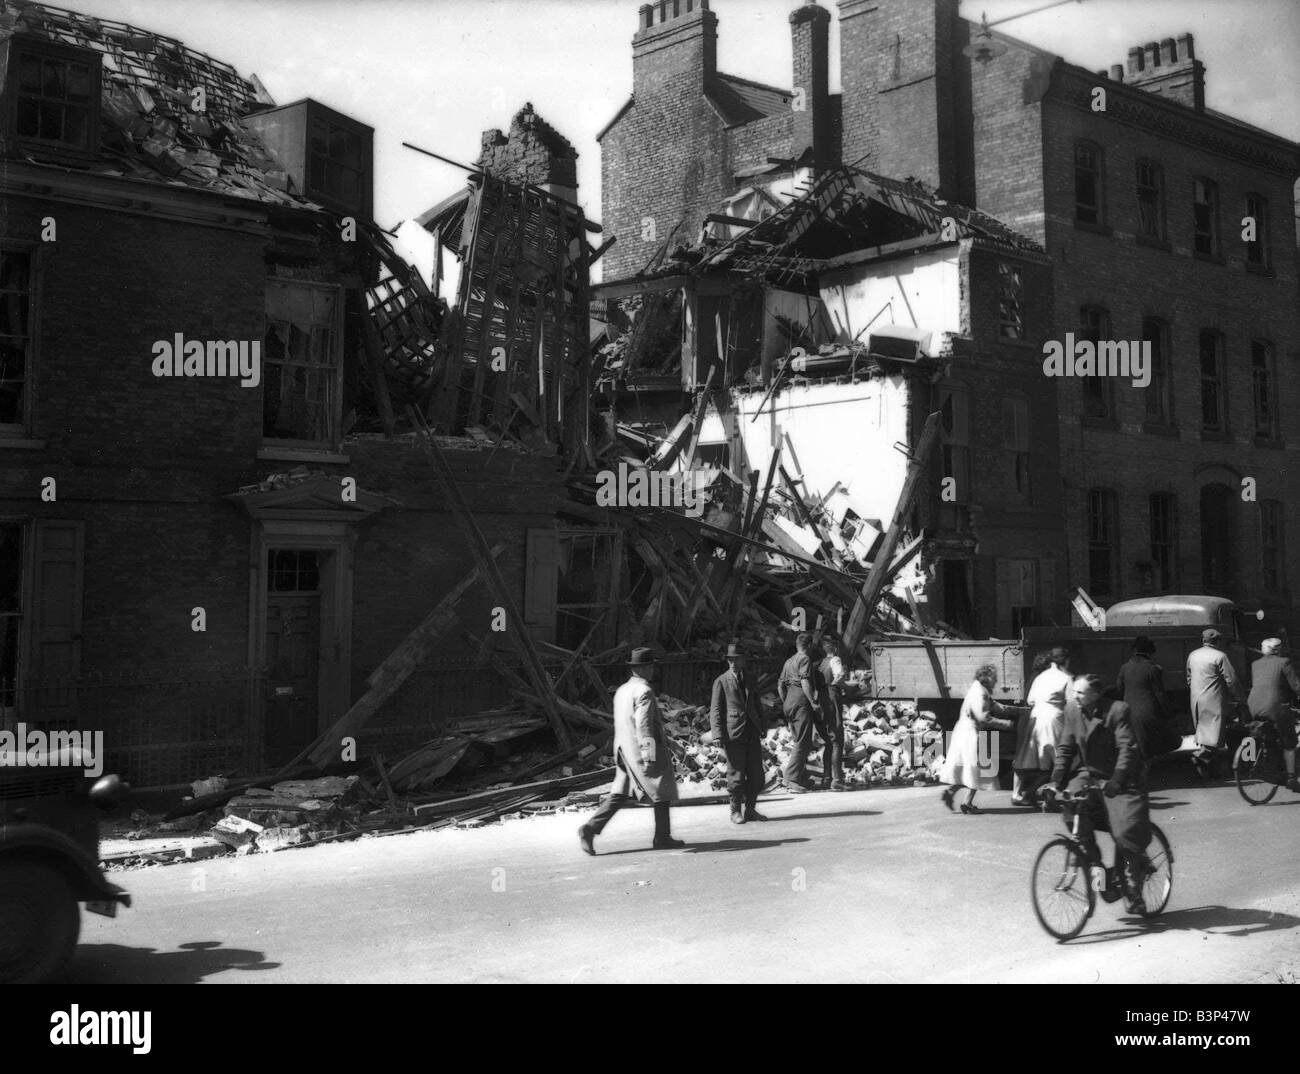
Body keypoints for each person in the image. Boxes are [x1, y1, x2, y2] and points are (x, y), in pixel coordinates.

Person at [1043, 674, 1152, 915]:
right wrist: (1055, 782)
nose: (1074, 697)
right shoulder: (1073, 710)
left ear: (1095, 695)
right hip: (1091, 775)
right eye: (1074, 692)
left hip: (1122, 780)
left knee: (1125, 832)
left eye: (1080, 693)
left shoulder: (1117, 711)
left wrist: (1116, 780)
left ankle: (1134, 891)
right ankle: (1098, 872)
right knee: (1073, 811)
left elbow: (1127, 748)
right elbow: (1065, 748)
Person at [579, 647, 684, 854]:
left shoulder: (622, 690)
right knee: (661, 790)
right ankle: (662, 837)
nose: (653, 670)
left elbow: (623, 723)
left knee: (619, 794)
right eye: (651, 666)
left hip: (623, 750)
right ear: (644, 668)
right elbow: (643, 724)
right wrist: (649, 753)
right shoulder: (644, 691)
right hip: (640, 750)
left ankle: (590, 829)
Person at [939, 664, 1015, 814]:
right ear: (987, 678)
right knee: (975, 768)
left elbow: (997, 706)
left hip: (964, 733)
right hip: (969, 735)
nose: (996, 681)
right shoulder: (979, 693)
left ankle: (957, 797)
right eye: (994, 678)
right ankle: (965, 802)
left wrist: (1021, 711)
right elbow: (984, 717)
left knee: (971, 769)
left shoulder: (979, 690)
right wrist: (1006, 724)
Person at [709, 640, 769, 823]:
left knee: (757, 776)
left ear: (743, 660)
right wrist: (717, 735)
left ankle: (750, 809)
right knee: (735, 775)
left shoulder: (750, 678)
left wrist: (763, 725)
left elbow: (757, 703)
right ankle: (735, 811)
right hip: (733, 733)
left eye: (737, 659)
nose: (733, 663)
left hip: (751, 731)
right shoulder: (721, 681)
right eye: (731, 660)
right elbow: (716, 710)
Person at [1013, 647, 1070, 807]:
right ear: (1065, 661)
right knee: (1062, 759)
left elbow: (1031, 700)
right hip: (1055, 720)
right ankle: (1044, 793)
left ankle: (1034, 793)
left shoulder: (1040, 678)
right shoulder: (1065, 678)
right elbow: (1072, 703)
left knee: (1043, 763)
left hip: (1036, 719)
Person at [1186, 628, 1242, 777]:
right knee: (1215, 735)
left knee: (1206, 733)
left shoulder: (1193, 655)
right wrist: (1239, 698)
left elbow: (1189, 678)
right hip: (1214, 700)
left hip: (1197, 700)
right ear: (1217, 641)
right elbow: (1231, 680)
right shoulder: (1220, 656)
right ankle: (1200, 757)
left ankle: (1205, 771)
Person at [1246, 637, 1300, 793]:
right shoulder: (1284, 662)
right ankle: (1291, 778)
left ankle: (1259, 762)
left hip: (1254, 706)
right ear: (1279, 649)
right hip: (1274, 708)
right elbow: (1296, 686)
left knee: (1271, 733)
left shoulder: (1255, 664)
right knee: (1290, 741)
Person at [1115, 636, 1177, 759]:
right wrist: (1168, 713)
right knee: (1150, 750)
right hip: (1148, 714)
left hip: (1129, 713)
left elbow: (1119, 689)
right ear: (1150, 651)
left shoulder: (1124, 667)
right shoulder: (1153, 668)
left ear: (1134, 650)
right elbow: (1159, 694)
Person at [778, 632, 821, 793]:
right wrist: (812, 701)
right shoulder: (805, 659)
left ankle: (801, 777)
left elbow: (780, 685)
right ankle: (791, 779)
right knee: (803, 742)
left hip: (789, 702)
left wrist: (786, 702)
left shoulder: (788, 661)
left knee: (799, 741)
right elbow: (805, 681)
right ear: (808, 646)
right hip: (801, 702)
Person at [817, 636, 848, 791]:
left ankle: (826, 778)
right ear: (835, 648)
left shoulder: (820, 664)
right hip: (832, 698)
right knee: (837, 739)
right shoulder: (835, 660)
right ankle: (837, 779)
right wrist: (840, 685)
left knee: (828, 741)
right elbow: (840, 675)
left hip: (822, 700)